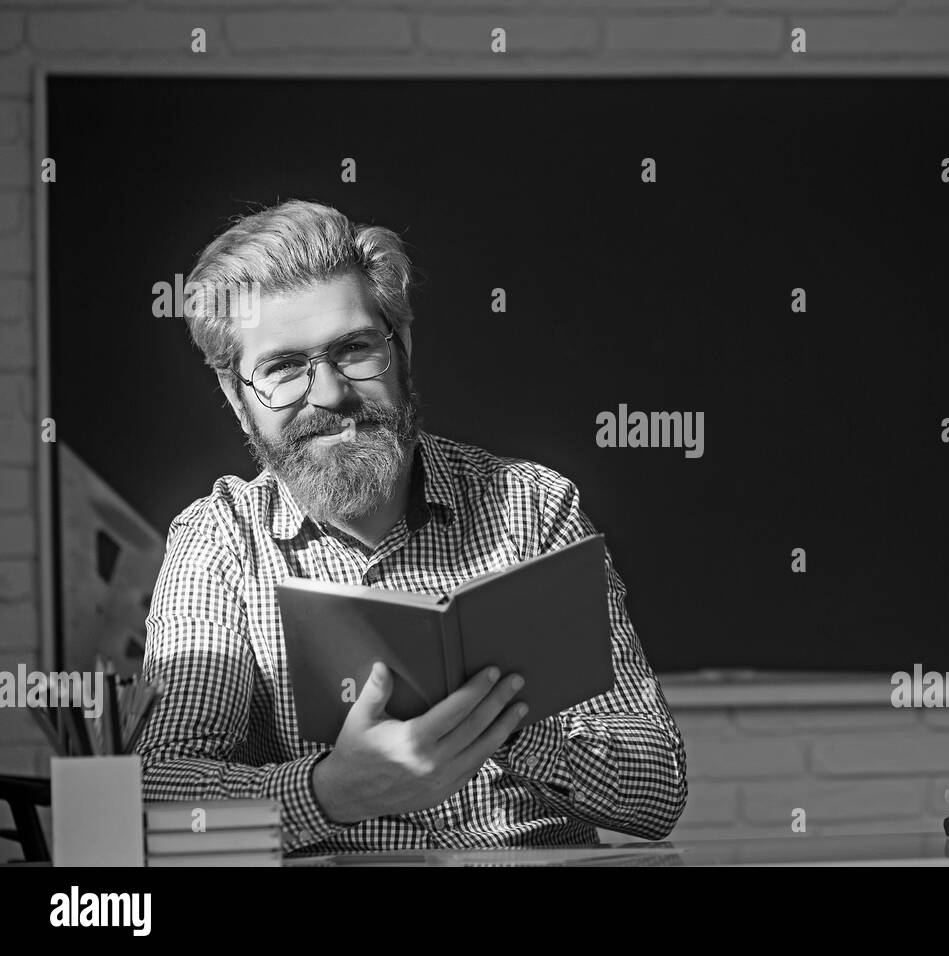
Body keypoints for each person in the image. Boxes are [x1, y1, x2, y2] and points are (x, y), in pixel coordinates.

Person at [139, 200, 688, 853]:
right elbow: (158, 794)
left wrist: (506, 724)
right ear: (238, 399)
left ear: (401, 347)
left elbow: (660, 790)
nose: (330, 394)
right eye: (282, 368)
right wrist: (332, 791)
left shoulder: (534, 507)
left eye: (354, 349)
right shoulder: (220, 540)